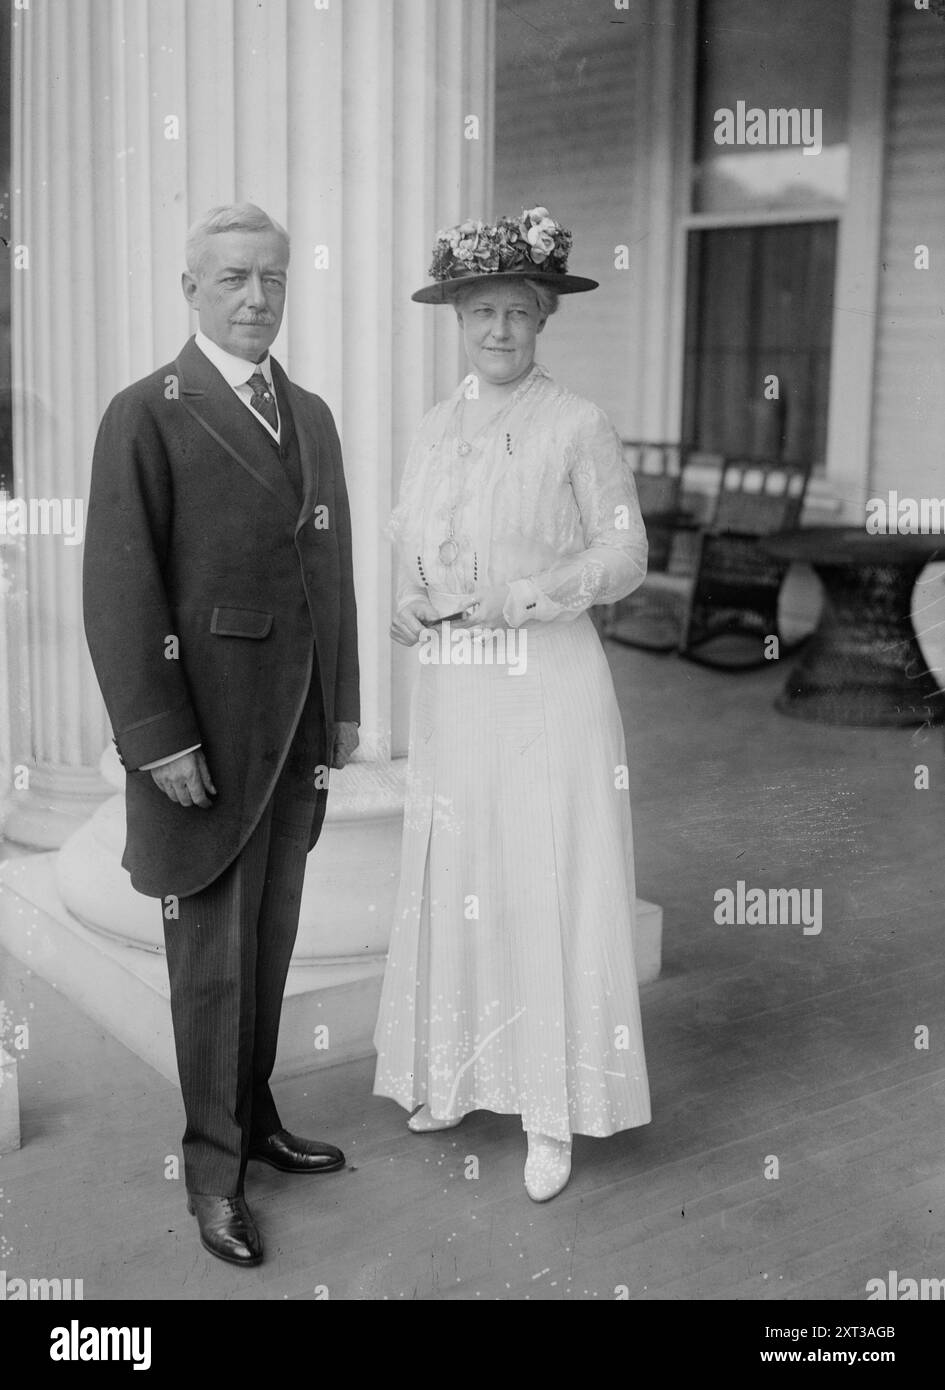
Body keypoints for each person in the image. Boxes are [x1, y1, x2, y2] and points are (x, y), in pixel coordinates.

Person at [83, 203, 360, 1266]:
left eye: (275, 280)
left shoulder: (315, 416)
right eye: (236, 278)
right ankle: (212, 1173)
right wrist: (159, 739)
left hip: (292, 735)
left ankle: (256, 1117)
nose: (258, 299)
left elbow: (326, 579)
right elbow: (119, 588)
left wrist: (337, 717)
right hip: (197, 741)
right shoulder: (145, 413)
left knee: (270, 944)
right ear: (191, 289)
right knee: (209, 962)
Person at [373, 208, 652, 1202]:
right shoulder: (436, 427)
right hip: (458, 684)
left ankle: (551, 1112)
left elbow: (626, 554)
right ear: (457, 317)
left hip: (544, 682)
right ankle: (454, 1074)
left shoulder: (575, 423)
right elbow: (412, 544)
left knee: (541, 873)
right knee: (466, 869)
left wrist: (528, 596)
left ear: (542, 319)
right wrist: (410, 600)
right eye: (480, 311)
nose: (498, 329)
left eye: (516, 313)